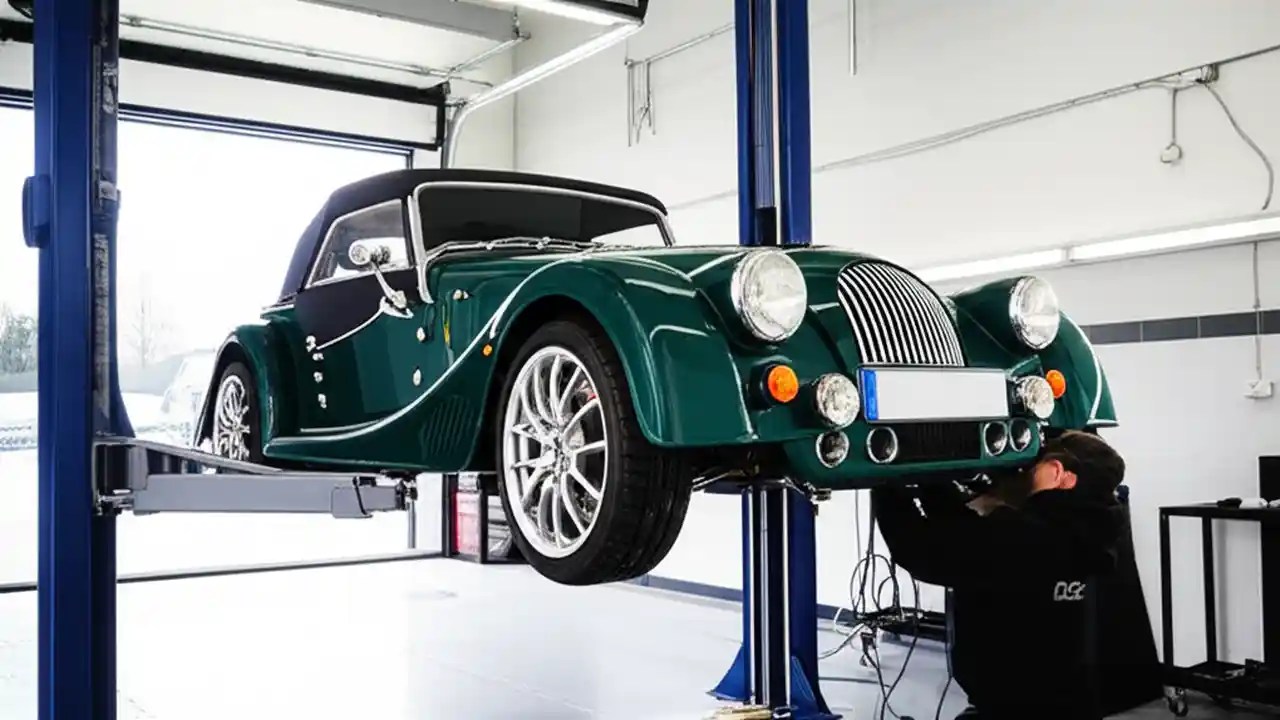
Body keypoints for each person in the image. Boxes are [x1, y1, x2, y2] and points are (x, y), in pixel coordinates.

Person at [870, 430, 1127, 720]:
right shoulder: (1093, 539)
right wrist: (936, 479)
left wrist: (883, 478)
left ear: (1056, 472)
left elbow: (916, 548)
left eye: (1034, 465)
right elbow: (969, 535)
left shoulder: (1024, 537)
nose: (1023, 472)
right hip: (1074, 705)